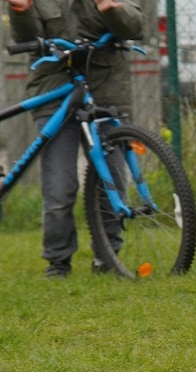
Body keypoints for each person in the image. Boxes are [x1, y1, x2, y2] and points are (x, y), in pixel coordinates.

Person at [6, 0, 144, 278]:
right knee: (59, 186)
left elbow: (135, 27)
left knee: (112, 181)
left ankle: (108, 256)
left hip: (106, 93)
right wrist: (21, 11)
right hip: (55, 91)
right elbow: (26, 39)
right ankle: (58, 261)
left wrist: (111, 8)